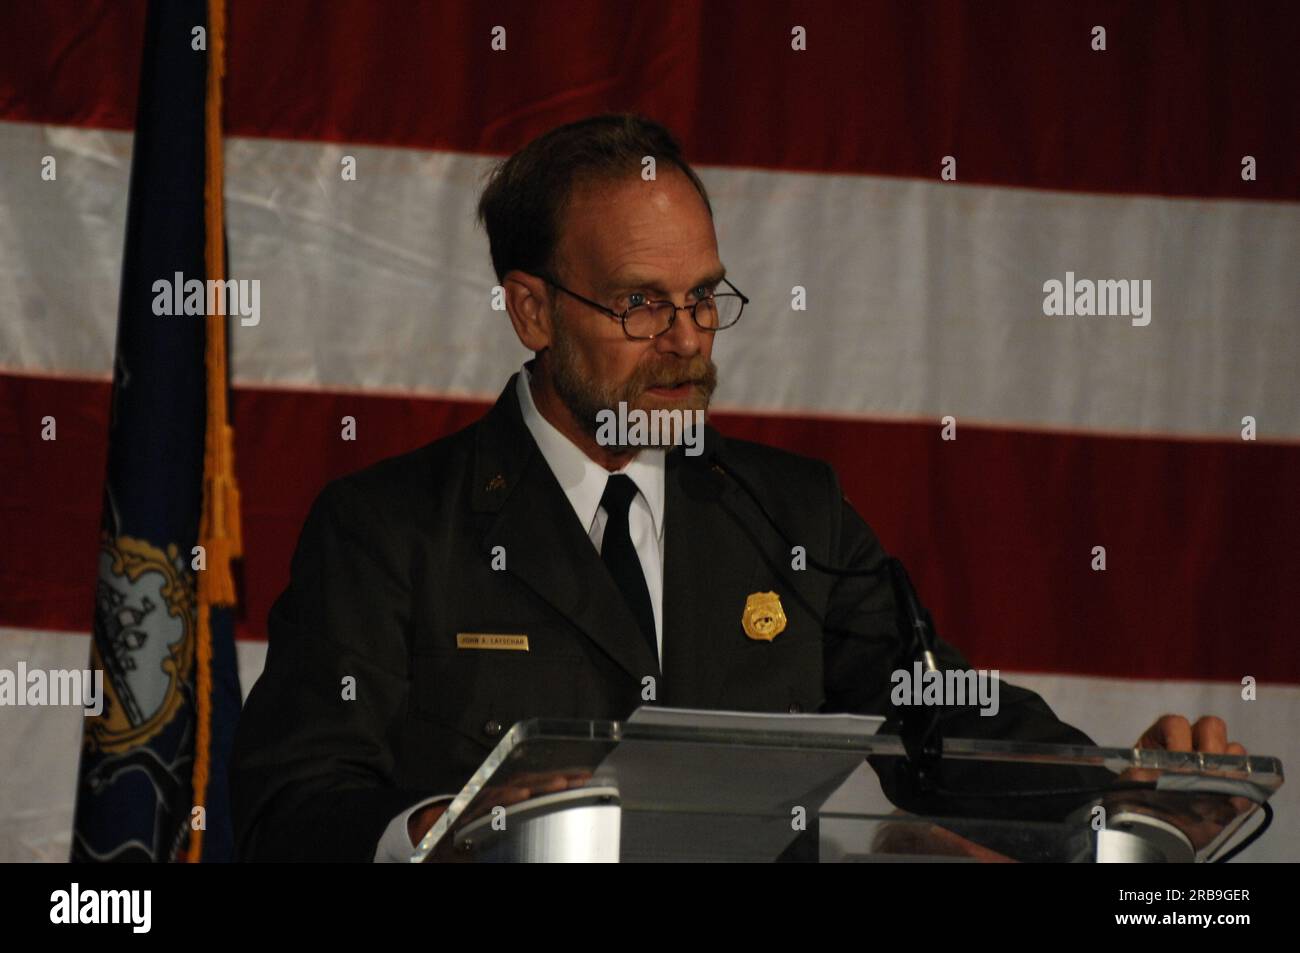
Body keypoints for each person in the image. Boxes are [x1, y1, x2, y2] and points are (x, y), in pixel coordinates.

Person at [229, 114, 1247, 862]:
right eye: (639, 303)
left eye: (704, 298)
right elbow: (295, 802)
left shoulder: (791, 512)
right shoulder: (390, 529)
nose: (684, 340)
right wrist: (446, 833)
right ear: (532, 311)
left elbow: (940, 722)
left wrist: (1119, 782)